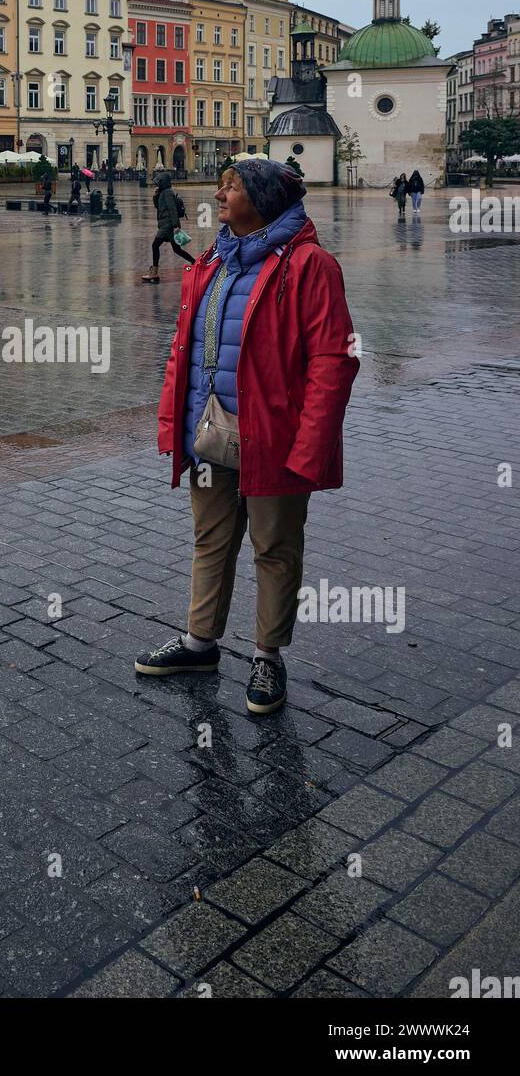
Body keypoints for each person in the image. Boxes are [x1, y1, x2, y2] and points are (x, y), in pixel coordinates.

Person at [135, 158, 359, 714]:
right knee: (210, 538)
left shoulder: (310, 265)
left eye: (232, 186)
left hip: (274, 438)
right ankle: (199, 643)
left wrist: (311, 447)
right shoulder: (212, 259)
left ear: (262, 198)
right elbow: (181, 350)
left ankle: (267, 655)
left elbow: (333, 361)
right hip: (209, 433)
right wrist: (174, 422)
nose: (221, 192)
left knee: (274, 548)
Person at [142, 172, 195, 282]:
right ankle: (195, 262)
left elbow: (172, 209)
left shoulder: (168, 193)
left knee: (155, 245)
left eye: (158, 183)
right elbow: (158, 206)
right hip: (166, 224)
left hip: (168, 225)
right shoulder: (163, 192)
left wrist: (176, 226)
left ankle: (154, 273)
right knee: (177, 249)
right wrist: (155, 195)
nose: (157, 185)